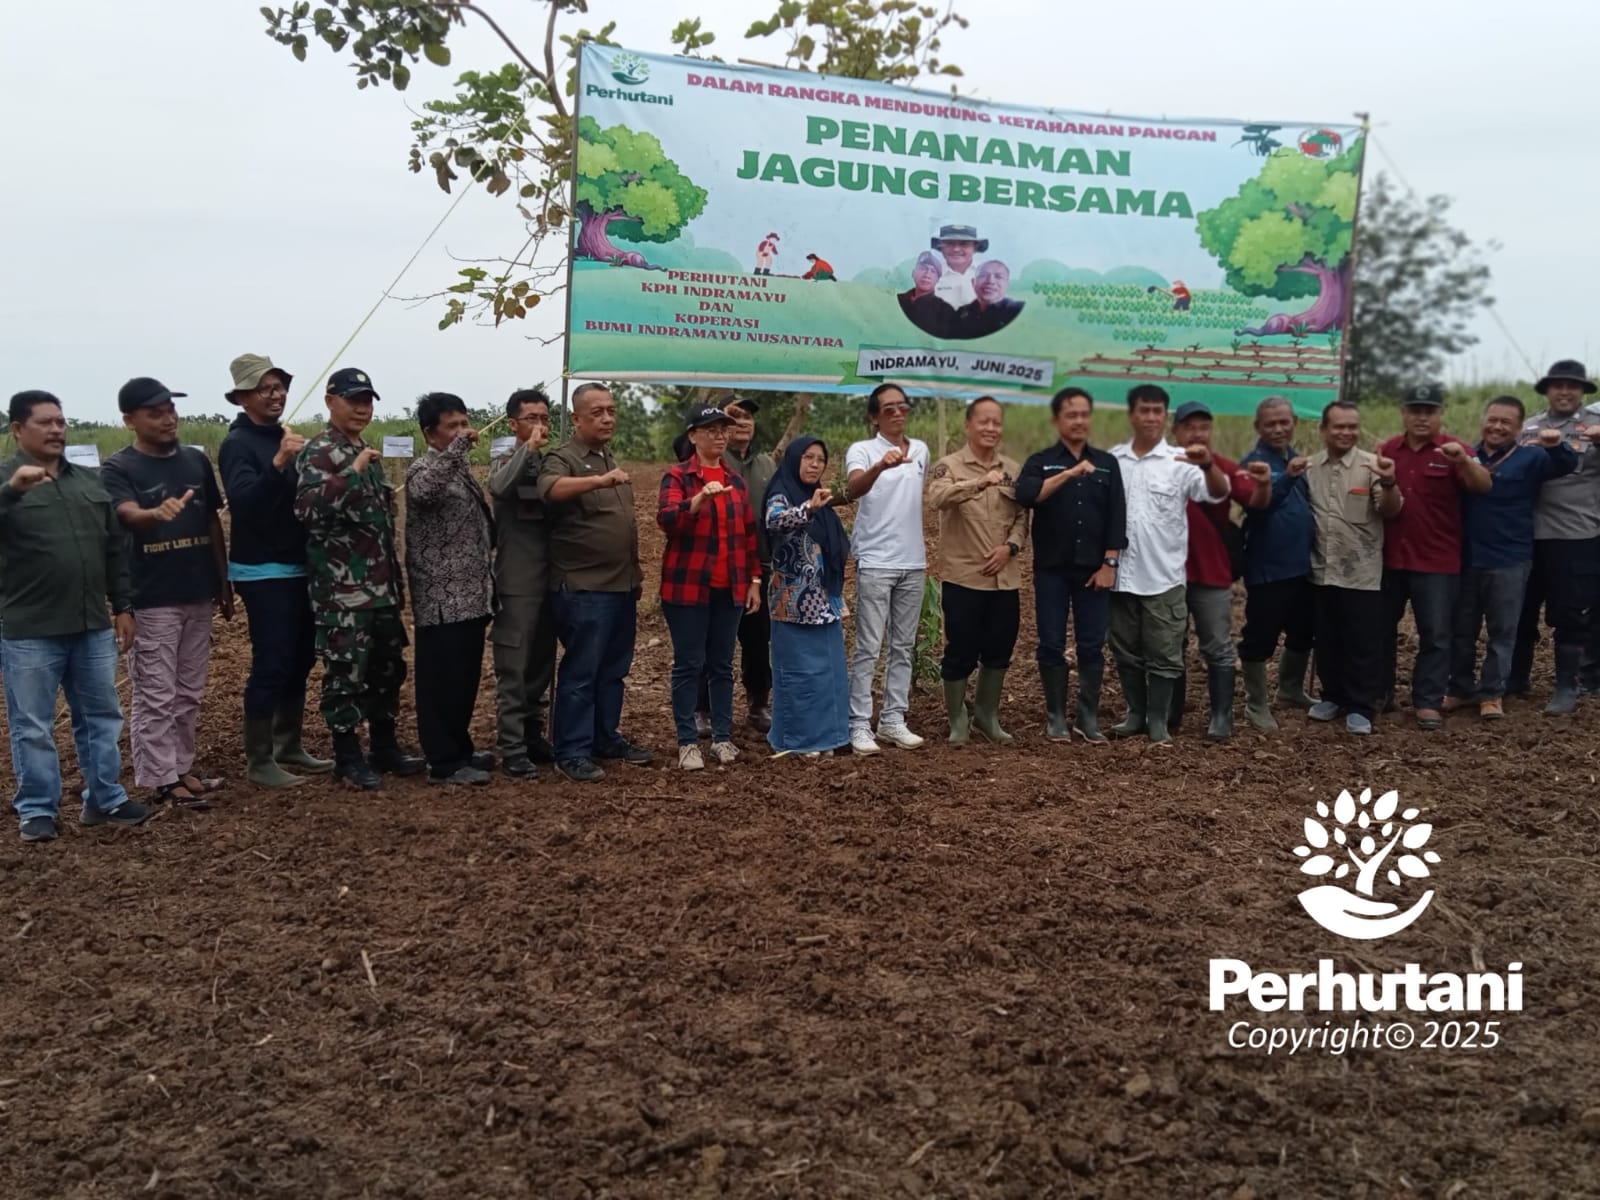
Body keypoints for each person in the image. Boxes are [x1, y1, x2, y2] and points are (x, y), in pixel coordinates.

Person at [0, 390, 149, 842]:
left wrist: (123, 605)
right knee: (33, 724)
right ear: (17, 430)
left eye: (61, 421)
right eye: (44, 422)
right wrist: (11, 492)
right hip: (30, 628)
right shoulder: (6, 481)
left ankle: (105, 798)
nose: (56, 430)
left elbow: (113, 549)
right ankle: (38, 809)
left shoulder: (89, 482)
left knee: (102, 715)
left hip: (90, 625)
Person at [102, 377, 232, 809]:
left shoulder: (195, 461)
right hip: (151, 595)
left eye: (170, 410)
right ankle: (161, 778)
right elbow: (124, 514)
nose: (167, 419)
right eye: (155, 412)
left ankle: (183, 767)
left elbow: (212, 519)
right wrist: (154, 513)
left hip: (197, 590)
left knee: (189, 689)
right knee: (156, 691)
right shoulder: (119, 469)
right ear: (129, 420)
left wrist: (222, 578)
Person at [294, 368, 424, 789]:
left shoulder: (365, 451)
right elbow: (308, 510)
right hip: (342, 592)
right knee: (345, 673)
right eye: (353, 400)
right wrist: (351, 472)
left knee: (387, 669)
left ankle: (383, 746)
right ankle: (346, 756)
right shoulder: (320, 453)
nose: (362, 408)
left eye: (368, 400)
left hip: (381, 588)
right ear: (331, 401)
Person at [219, 353, 330, 788]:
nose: (276, 394)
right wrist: (280, 463)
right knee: (273, 660)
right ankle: (259, 759)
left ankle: (289, 744)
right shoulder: (237, 445)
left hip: (299, 564)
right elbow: (244, 504)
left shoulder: (282, 435)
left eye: (280, 386)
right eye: (265, 388)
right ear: (243, 396)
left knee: (302, 657)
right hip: (262, 570)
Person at [537, 382, 651, 783]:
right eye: (597, 412)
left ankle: (605, 736)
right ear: (577, 418)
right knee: (581, 672)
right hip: (585, 588)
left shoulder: (607, 456)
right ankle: (571, 750)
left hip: (621, 585)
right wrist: (598, 483)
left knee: (613, 670)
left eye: (611, 411)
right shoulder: (564, 457)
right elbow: (550, 489)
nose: (607, 418)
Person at [1106, 386, 1231, 744]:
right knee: (1126, 652)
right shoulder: (1114, 460)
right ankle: (1135, 714)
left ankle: (1159, 721)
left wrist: (1207, 464)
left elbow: (1217, 492)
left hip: (1164, 578)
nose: (1150, 417)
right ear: (1131, 415)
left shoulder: (1182, 461)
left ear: (1165, 417)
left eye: (1157, 411)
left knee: (1164, 656)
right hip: (1121, 577)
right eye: (1143, 410)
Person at [1449, 396, 1576, 718]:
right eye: (1493, 419)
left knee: (1502, 632)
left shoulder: (1531, 457)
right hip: (1467, 558)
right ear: (1483, 421)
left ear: (1519, 428)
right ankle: (1459, 688)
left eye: (1506, 422)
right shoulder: (1465, 456)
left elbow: (1566, 465)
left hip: (1510, 559)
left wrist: (1555, 444)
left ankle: (1492, 694)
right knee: (1461, 630)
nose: (1498, 426)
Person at [1375, 384, 1491, 730]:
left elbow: (1483, 485)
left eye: (1429, 410)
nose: (1422, 416)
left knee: (1436, 635)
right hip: (1390, 558)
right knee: (1380, 630)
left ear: (1441, 413)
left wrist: (1464, 463)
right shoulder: (1386, 451)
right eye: (1415, 410)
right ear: (1403, 413)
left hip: (1437, 560)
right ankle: (1380, 694)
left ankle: (1427, 701)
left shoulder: (1456, 451)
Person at [1014, 387, 1125, 743]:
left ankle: (1088, 718)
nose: (1078, 420)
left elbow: (1117, 517)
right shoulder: (1041, 461)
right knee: (1050, 642)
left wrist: (1110, 563)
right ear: (1057, 420)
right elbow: (1026, 495)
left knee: (1092, 644)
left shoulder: (1108, 464)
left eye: (1084, 414)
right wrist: (1068, 474)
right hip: (1052, 570)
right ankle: (1056, 716)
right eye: (1071, 414)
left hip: (1094, 570)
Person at [657, 407, 762, 770]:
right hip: (687, 589)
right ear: (692, 436)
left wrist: (753, 581)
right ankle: (687, 741)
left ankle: (722, 737)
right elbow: (667, 520)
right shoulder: (678, 477)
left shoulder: (736, 481)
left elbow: (748, 536)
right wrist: (698, 501)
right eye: (711, 430)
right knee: (689, 664)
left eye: (723, 430)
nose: (719, 436)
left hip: (729, 588)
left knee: (721, 665)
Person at [926, 397, 1029, 744]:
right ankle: (958, 719)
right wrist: (979, 483)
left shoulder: (1013, 469)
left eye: (996, 422)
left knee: (1000, 648)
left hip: (1005, 579)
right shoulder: (949, 466)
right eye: (983, 422)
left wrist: (1010, 547)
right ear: (968, 425)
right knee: (961, 650)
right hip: (965, 578)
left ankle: (987, 715)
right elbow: (938, 499)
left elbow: (1020, 517)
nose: (990, 428)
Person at [405, 393, 495, 786]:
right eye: (451, 427)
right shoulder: (423, 468)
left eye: (464, 423)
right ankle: (443, 761)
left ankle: (460, 747)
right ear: (430, 433)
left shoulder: (457, 468)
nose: (462, 432)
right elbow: (425, 492)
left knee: (463, 678)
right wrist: (458, 449)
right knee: (441, 681)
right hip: (442, 599)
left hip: (471, 595)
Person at [1304, 400, 1404, 735]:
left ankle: (1362, 705)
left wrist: (1389, 483)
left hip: (1361, 572)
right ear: (1324, 430)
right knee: (1328, 639)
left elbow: (1390, 512)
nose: (1346, 433)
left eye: (1352, 427)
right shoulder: (1310, 468)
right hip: (1321, 568)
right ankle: (1332, 697)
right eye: (1339, 427)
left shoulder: (1374, 466)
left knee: (1362, 642)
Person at [1167, 399, 1263, 741]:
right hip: (1168, 575)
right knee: (1171, 646)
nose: (1197, 433)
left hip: (1212, 573)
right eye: (1189, 426)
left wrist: (1263, 483)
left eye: (1203, 427)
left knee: (1218, 646)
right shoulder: (1162, 465)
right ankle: (1170, 713)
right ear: (1175, 431)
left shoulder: (1222, 466)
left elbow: (1252, 499)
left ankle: (1221, 717)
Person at [844, 383, 931, 754]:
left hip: (913, 561)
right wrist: (881, 465)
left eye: (902, 406)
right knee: (868, 646)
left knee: (903, 646)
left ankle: (893, 719)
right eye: (888, 408)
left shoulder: (922, 449)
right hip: (876, 562)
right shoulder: (862, 450)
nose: (897, 412)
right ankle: (858, 723)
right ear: (873, 416)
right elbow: (852, 490)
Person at [1510, 359, 1600, 711]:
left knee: (1571, 616)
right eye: (1558, 385)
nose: (1565, 391)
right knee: (1521, 611)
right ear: (1547, 390)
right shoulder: (1528, 427)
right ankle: (1516, 678)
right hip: (1528, 535)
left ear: (1582, 391)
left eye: (1572, 386)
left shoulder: (1596, 428)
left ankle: (1568, 686)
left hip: (1577, 535)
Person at [765, 437, 851, 757]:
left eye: (820, 459)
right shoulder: (781, 493)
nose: (815, 464)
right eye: (808, 457)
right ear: (793, 460)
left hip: (824, 601)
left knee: (829, 673)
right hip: (793, 602)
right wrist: (807, 509)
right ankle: (798, 740)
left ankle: (829, 737)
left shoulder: (822, 502)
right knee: (798, 674)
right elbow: (774, 521)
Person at [1235, 396, 1317, 731]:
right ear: (1258, 427)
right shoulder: (1254, 465)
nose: (1279, 429)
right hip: (1269, 569)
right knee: (1261, 637)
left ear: (1294, 421)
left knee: (1303, 631)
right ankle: (1255, 703)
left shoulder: (1296, 458)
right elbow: (1259, 508)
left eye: (1284, 421)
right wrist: (1286, 478)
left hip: (1303, 565)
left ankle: (1290, 689)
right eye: (1270, 423)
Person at [487, 388, 557, 778]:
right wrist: (527, 450)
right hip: (517, 582)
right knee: (513, 668)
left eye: (545, 418)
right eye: (532, 418)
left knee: (541, 666)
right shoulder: (504, 461)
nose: (540, 425)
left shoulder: (549, 465)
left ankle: (533, 736)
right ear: (514, 424)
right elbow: (499, 488)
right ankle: (512, 747)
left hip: (550, 579)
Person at [697, 396, 777, 733]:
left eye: (748, 417)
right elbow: (682, 447)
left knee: (759, 641)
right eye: (736, 417)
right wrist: (720, 418)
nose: (744, 422)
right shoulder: (711, 460)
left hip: (759, 566)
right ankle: (703, 708)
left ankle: (758, 704)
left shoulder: (766, 464)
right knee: (712, 641)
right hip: (718, 565)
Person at [953, 261, 1024, 338]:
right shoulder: (962, 312)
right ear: (973, 282)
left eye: (998, 277)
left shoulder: (1018, 310)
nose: (990, 281)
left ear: (1008, 285)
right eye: (983, 275)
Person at [897, 251, 954, 338]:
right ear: (913, 273)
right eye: (923, 268)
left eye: (933, 271)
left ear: (938, 280)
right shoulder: (897, 300)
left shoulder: (945, 310)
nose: (927, 275)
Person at [931, 223, 985, 308]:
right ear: (940, 247)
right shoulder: (929, 274)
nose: (956, 249)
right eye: (949, 243)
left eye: (964, 244)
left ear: (975, 248)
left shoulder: (988, 274)